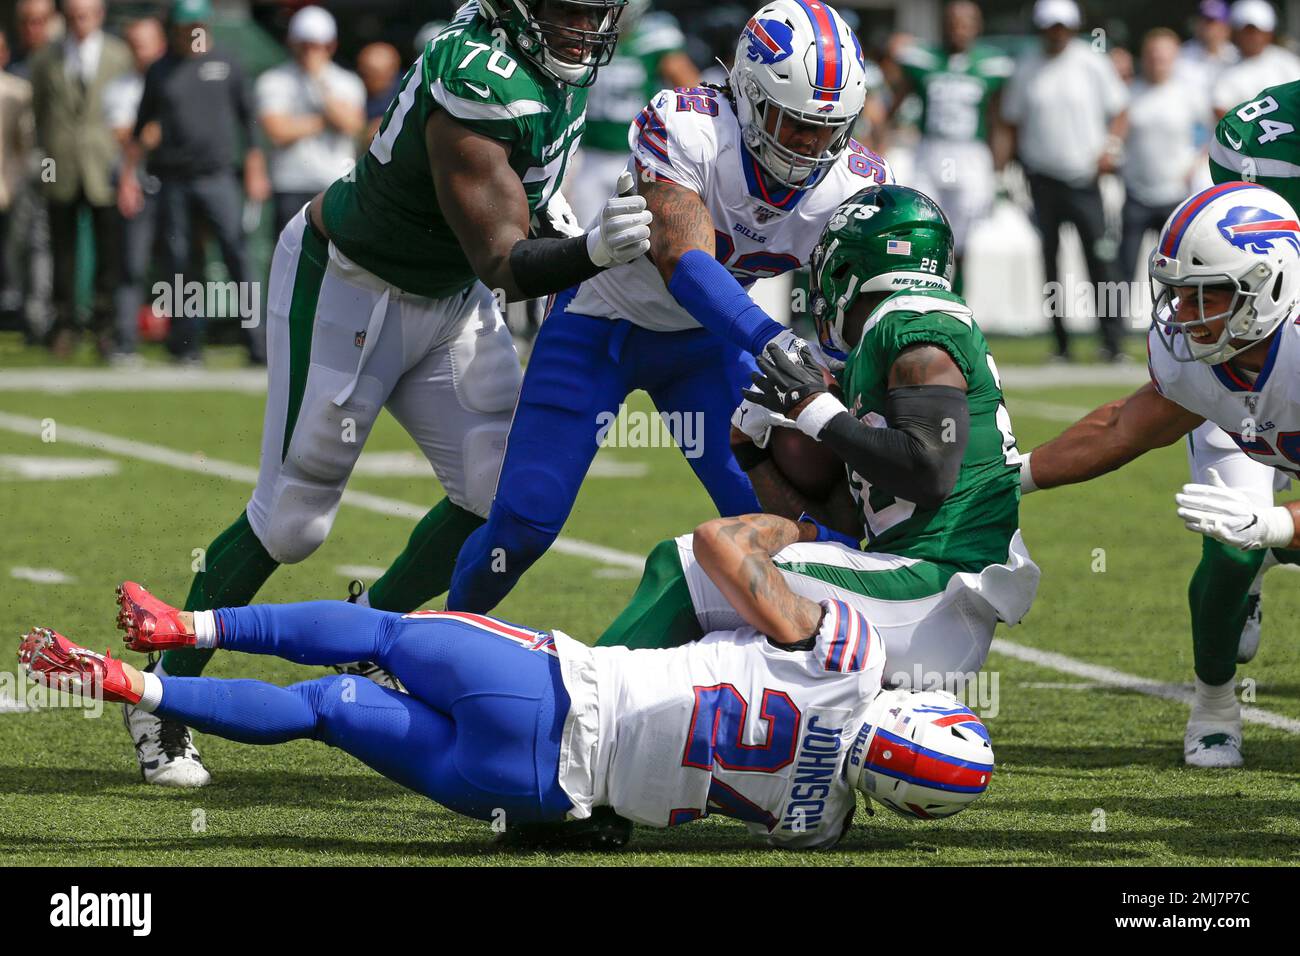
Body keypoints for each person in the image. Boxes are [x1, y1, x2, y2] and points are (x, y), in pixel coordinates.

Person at [122, 0, 650, 789]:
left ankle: (374, 634)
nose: (585, 29)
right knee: (294, 519)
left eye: (595, 11)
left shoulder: (548, 68)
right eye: (568, 11)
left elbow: (522, 194)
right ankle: (164, 695)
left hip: (448, 298)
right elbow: (507, 261)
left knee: (498, 487)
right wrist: (589, 252)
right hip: (349, 288)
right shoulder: (476, 78)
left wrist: (557, 217)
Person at [22, 519, 993, 846]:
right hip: (533, 788)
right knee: (325, 711)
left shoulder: (851, 658)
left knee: (383, 633)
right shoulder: (818, 824)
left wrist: (794, 529)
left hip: (556, 686)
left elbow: (717, 547)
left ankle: (184, 628)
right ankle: (132, 686)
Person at [447, 0, 891, 616]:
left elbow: (858, 303)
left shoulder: (853, 184)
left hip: (705, 349)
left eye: (829, 129)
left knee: (791, 525)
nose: (813, 147)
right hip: (601, 329)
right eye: (794, 125)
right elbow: (684, 263)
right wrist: (774, 341)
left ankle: (824, 661)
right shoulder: (689, 125)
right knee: (524, 526)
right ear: (749, 95)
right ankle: (431, 639)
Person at [595, 185, 1038, 695]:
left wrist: (816, 412)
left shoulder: (914, 324)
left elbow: (929, 472)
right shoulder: (890, 339)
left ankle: (587, 704)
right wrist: (753, 456)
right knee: (735, 610)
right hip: (924, 605)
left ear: (847, 273)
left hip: (929, 589)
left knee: (690, 567)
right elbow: (842, 526)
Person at [1017, 180, 1300, 768]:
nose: (1186, 316)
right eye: (1179, 294)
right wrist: (1013, 478)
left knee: (1266, 533)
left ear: (1272, 285)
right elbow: (1127, 425)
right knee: (1229, 551)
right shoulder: (1200, 356)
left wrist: (1274, 525)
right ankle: (1216, 708)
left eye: (1209, 296)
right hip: (1242, 426)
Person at [118, 0, 270, 365]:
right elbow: (140, 129)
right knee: (180, 263)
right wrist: (128, 175)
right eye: (185, 27)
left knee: (238, 256)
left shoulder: (228, 64)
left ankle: (260, 345)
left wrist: (255, 166)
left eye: (197, 25)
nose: (191, 33)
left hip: (219, 178)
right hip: (174, 181)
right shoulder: (161, 70)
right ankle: (186, 345)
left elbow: (250, 120)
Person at [1000, 0, 1129, 362]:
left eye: (1062, 26)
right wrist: (1007, 170)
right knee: (1052, 264)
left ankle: (1113, 342)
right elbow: (1012, 120)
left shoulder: (1092, 62)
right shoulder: (1026, 66)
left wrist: (1111, 149)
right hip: (1041, 180)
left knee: (1102, 262)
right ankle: (1061, 344)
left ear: (1071, 27)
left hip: (1086, 179)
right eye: (1050, 26)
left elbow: (1119, 110)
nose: (1056, 33)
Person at [29, 0, 131, 359]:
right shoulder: (46, 58)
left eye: (84, 15)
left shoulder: (119, 55)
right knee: (62, 254)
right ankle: (64, 327)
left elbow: (127, 107)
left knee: (108, 255)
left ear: (100, 15)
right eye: (72, 16)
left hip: (104, 167)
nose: (78, 22)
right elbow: (39, 114)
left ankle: (104, 328)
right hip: (62, 167)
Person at [892, 1, 1013, 290]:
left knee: (961, 240)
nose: (959, 28)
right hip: (931, 150)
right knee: (923, 228)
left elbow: (1000, 122)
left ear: (977, 26)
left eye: (966, 22)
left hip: (970, 153)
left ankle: (955, 300)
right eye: (953, 21)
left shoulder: (992, 64)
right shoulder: (923, 59)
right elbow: (895, 102)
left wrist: (999, 170)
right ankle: (920, 294)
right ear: (944, 25)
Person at [565, 0, 699, 226]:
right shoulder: (584, 33)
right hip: (587, 155)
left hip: (637, 154)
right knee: (584, 234)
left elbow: (691, 90)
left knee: (639, 234)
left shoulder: (655, 36)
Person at [256, 6, 365, 235]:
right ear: (292, 43)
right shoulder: (274, 80)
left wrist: (318, 82)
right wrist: (327, 118)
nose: (309, 53)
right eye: (303, 45)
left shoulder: (348, 82)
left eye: (316, 45)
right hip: (290, 183)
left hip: (335, 182)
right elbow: (277, 131)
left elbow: (352, 125)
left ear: (331, 46)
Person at [1117, 29, 1207, 286]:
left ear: (1175, 58)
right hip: (1136, 192)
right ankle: (1115, 326)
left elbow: (1215, 133)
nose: (1157, 62)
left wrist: (1196, 164)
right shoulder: (1129, 93)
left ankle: (1176, 325)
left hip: (1176, 197)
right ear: (1143, 58)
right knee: (1125, 267)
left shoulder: (1189, 95)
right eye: (1152, 56)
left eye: (1163, 57)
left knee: (1176, 273)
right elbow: (1115, 134)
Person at [103, 15, 167, 364]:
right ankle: (125, 341)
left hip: (175, 185)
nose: (140, 51)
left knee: (183, 263)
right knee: (131, 265)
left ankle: (186, 344)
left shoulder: (174, 79)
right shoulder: (120, 88)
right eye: (135, 44)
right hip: (136, 186)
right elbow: (126, 136)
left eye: (146, 43)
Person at [1212, 0, 1300, 121]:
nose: (1252, 38)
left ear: (1269, 33)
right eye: (1246, 32)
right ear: (1236, 34)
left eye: (1257, 32)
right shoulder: (1224, 69)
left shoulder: (1288, 63)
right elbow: (1221, 111)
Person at [356, 41, 401, 146]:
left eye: (370, 74)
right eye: (362, 72)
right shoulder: (353, 88)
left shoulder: (407, 94)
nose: (363, 78)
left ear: (389, 73)